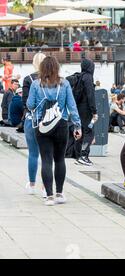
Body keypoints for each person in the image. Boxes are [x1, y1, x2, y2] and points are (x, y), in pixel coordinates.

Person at [27, 56, 82, 206]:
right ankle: (59, 193)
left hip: (42, 126)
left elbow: (30, 104)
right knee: (59, 159)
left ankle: (49, 196)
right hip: (61, 125)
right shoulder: (64, 84)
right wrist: (77, 125)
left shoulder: (36, 85)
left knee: (46, 160)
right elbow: (72, 106)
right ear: (57, 68)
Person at [22, 53, 46, 197]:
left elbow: (26, 103)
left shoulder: (28, 79)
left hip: (31, 119)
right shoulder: (52, 78)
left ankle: (31, 185)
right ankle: (45, 187)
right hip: (48, 121)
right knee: (46, 155)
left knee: (33, 153)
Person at [75, 59, 98, 166]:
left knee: (83, 132)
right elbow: (90, 95)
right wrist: (94, 111)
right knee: (89, 132)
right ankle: (83, 156)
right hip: (86, 109)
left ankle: (79, 156)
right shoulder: (88, 77)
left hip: (79, 108)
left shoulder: (80, 76)